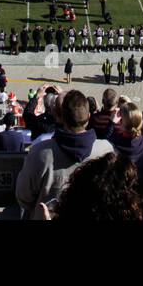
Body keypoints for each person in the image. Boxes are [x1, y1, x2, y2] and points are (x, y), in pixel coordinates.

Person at [15, 89, 113, 218]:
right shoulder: (106, 150)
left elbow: (23, 198)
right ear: (89, 116)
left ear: (61, 118)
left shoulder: (40, 152)